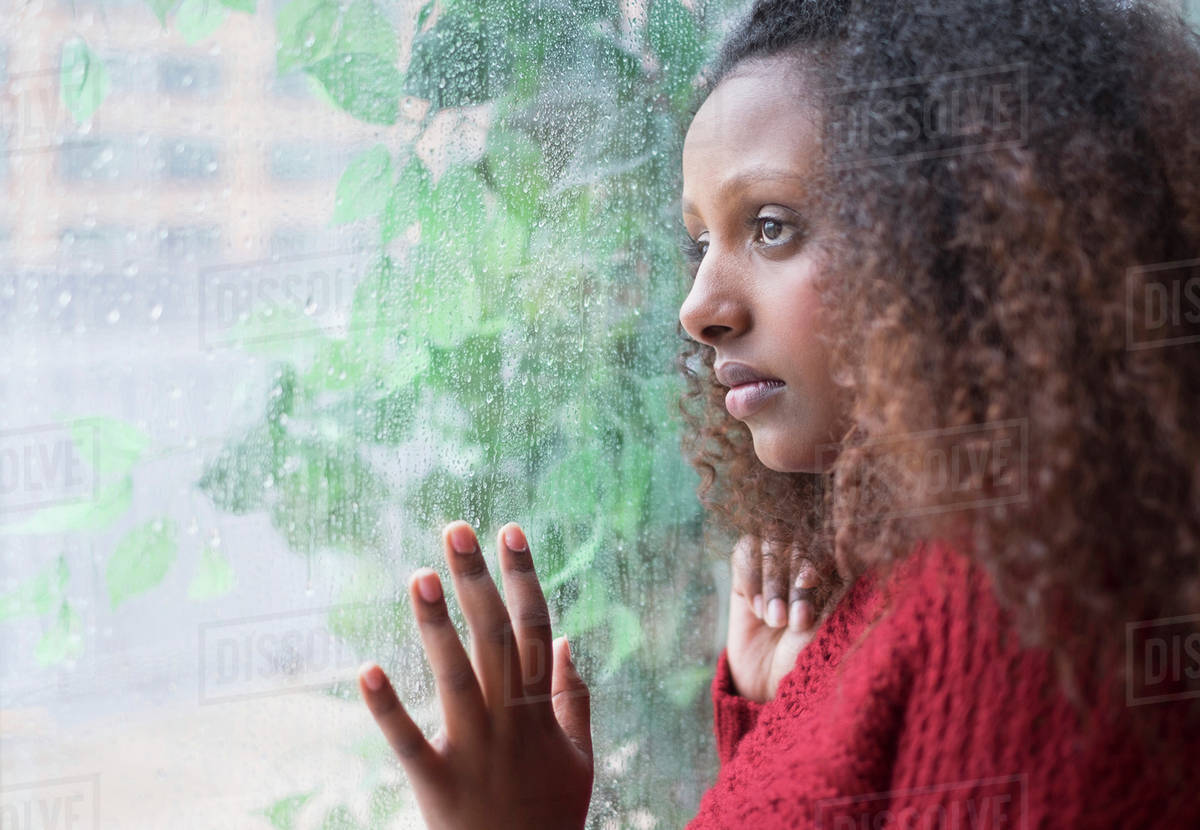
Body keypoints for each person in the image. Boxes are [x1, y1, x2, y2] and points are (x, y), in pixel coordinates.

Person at [355, 0, 1200, 826]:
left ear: (966, 236)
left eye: (769, 226)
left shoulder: (1016, 609)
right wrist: (780, 711)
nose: (698, 305)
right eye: (699, 243)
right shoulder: (916, 576)